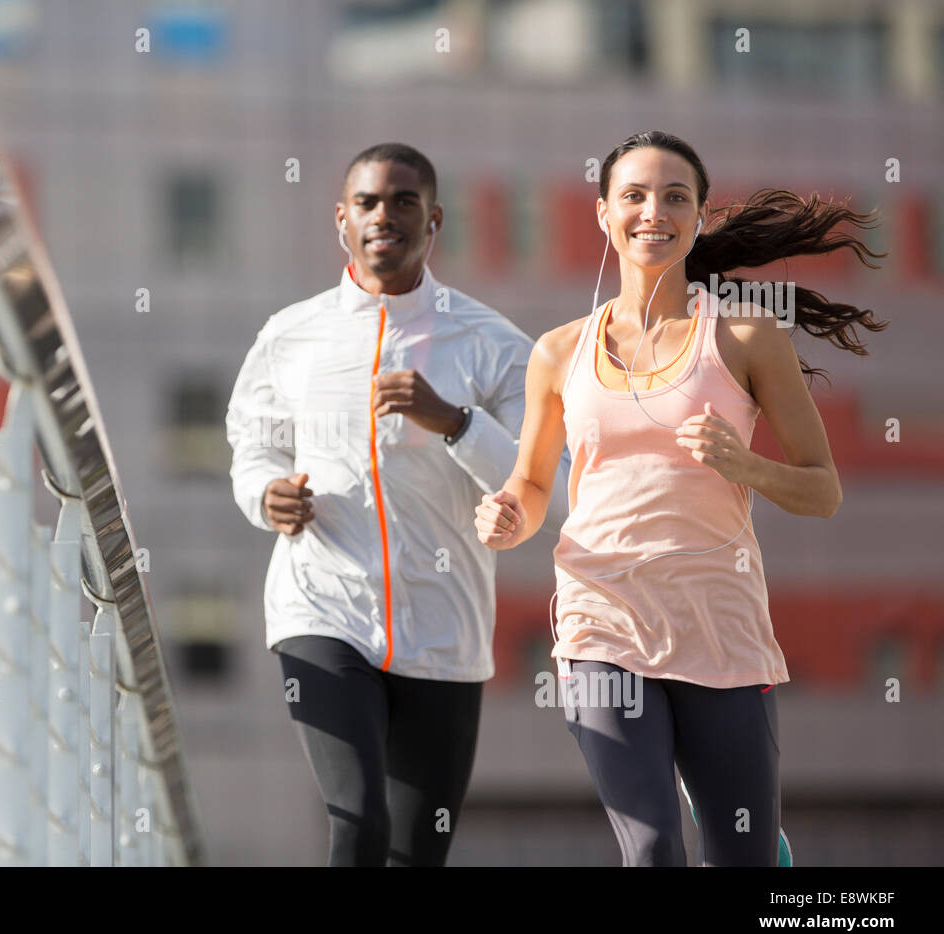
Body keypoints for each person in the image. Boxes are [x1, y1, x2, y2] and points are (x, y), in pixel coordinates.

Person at [475, 130, 886, 866]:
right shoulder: (558, 352)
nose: (652, 211)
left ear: (699, 217)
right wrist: (509, 512)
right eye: (632, 195)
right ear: (603, 213)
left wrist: (746, 466)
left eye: (674, 197)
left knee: (742, 859)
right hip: (602, 626)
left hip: (720, 633)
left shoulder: (747, 338)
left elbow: (822, 490)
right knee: (654, 849)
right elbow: (534, 483)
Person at [226, 143, 571, 866]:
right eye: (368, 203)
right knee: (357, 820)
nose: (385, 216)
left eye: (404, 202)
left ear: (434, 220)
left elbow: (555, 477)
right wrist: (267, 496)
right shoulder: (291, 336)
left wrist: (457, 423)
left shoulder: (491, 343)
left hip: (443, 629)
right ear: (341, 221)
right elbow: (252, 448)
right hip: (321, 608)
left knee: (419, 852)